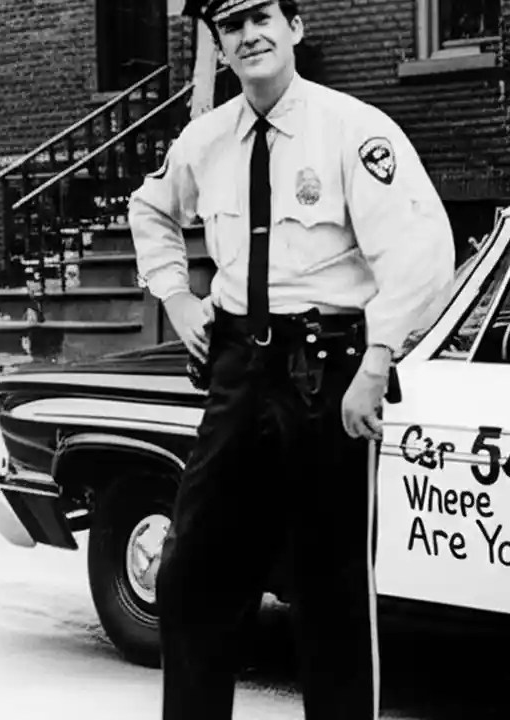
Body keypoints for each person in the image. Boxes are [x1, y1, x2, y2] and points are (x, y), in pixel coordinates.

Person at [128, 1, 456, 718]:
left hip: (326, 371)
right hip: (239, 365)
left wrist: (377, 360)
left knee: (330, 585)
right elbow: (150, 210)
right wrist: (178, 297)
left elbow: (425, 255)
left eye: (262, 17)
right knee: (193, 574)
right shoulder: (205, 139)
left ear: (296, 27)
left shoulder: (354, 129)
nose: (249, 36)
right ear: (219, 43)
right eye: (232, 25)